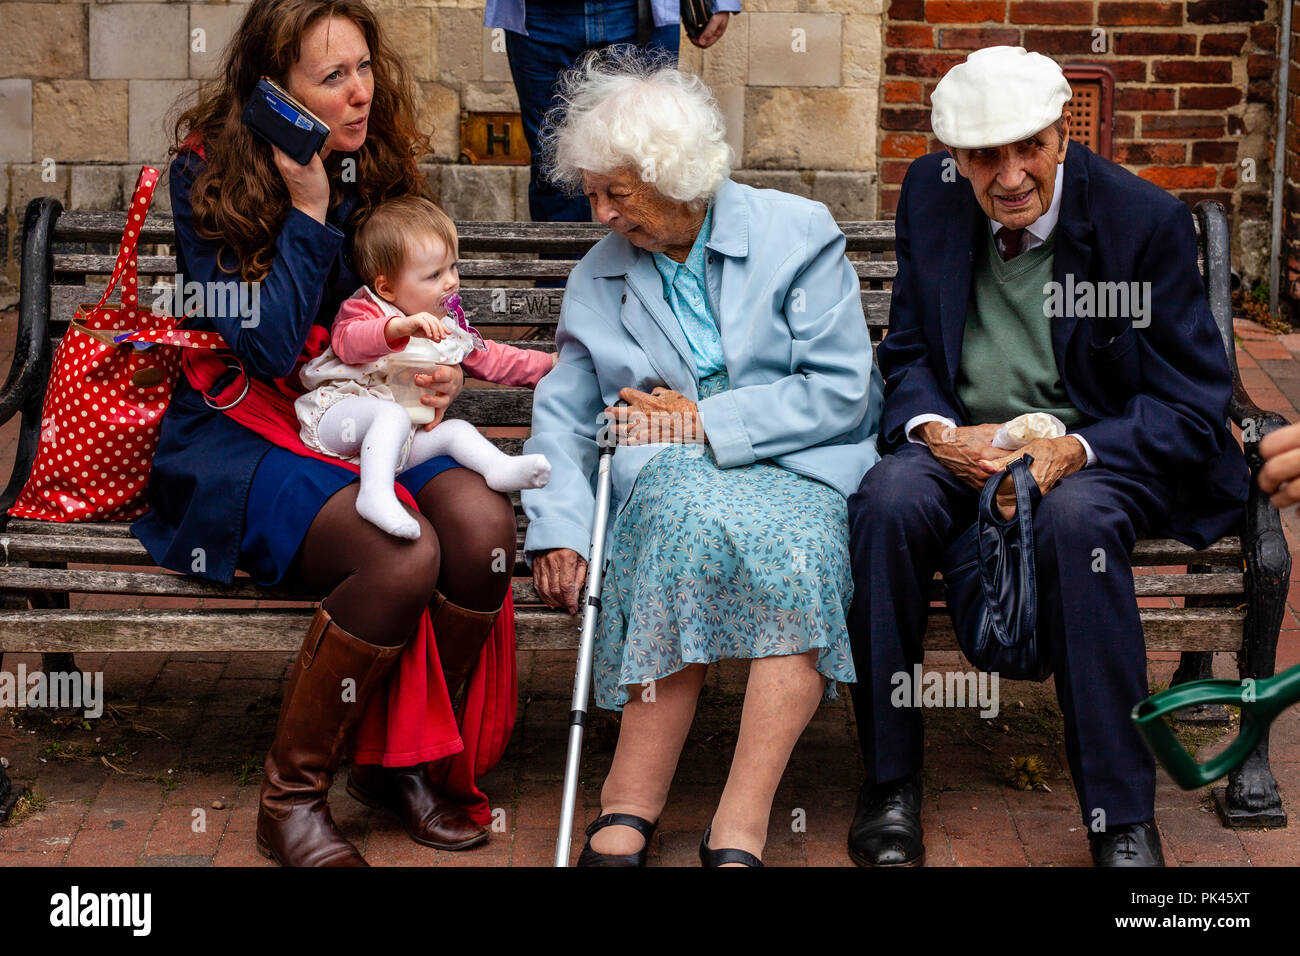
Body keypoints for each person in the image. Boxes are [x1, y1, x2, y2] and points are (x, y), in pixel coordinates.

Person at [845, 45, 1250, 868]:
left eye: (1029, 146)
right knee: (885, 500)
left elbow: (1193, 403)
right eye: (985, 156)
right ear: (954, 159)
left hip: (1096, 450)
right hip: (967, 442)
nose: (1012, 175)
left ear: (1062, 135)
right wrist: (932, 431)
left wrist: (1072, 448)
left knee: (1074, 526)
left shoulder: (1142, 221)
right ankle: (890, 782)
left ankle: (1121, 814)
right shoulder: (931, 195)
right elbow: (912, 348)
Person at [132, 0, 517, 865]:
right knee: (399, 553)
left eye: (364, 69)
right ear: (275, 95)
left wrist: (440, 357)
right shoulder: (206, 177)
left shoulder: (376, 162)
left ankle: (401, 762)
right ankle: (291, 797)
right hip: (242, 429)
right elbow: (264, 350)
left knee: (485, 527)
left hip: (363, 413)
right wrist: (308, 210)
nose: (359, 94)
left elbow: (423, 296)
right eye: (330, 77)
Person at [522, 47, 883, 867]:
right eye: (592, 193)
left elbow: (843, 393)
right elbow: (567, 417)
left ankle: (742, 817)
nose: (603, 214)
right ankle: (629, 800)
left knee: (798, 558)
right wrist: (557, 529)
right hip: (670, 481)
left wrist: (704, 421)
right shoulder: (600, 275)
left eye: (618, 193)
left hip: (801, 466)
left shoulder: (796, 235)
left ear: (676, 177)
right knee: (679, 533)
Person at [296, 195, 554, 540]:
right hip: (337, 418)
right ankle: (374, 496)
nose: (450, 281)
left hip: (398, 444)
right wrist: (398, 329)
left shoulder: (444, 325)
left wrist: (549, 365)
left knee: (457, 431)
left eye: (452, 267)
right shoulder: (367, 309)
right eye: (434, 274)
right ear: (386, 287)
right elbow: (349, 342)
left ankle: (498, 467)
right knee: (393, 417)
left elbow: (491, 357)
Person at [485, 0, 738, 223]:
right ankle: (560, 275)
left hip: (637, 11)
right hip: (538, 16)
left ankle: (650, 271)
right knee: (550, 162)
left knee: (653, 154)